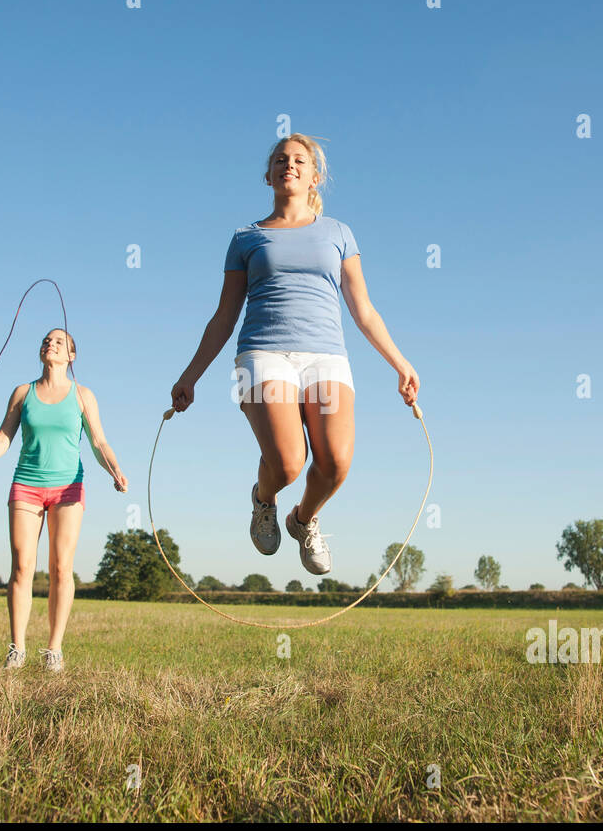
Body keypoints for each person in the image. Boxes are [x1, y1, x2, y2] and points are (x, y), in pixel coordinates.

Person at [170, 133, 419, 576]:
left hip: (327, 357)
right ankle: (264, 500)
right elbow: (224, 315)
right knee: (287, 463)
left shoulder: (338, 233)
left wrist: (401, 364)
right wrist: (191, 375)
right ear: (268, 175)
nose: (290, 165)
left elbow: (363, 310)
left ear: (314, 177)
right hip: (262, 354)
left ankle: (302, 520)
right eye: (281, 160)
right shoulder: (246, 237)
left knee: (336, 463)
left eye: (300, 161)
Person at [0, 328, 127, 671]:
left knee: (61, 568)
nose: (51, 343)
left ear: (71, 356)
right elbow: (3, 439)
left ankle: (54, 651)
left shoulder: (83, 395)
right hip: (26, 485)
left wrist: (115, 471)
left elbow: (98, 442)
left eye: (60, 341)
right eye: (47, 340)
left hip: (67, 489)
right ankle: (17, 649)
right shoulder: (23, 392)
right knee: (22, 567)